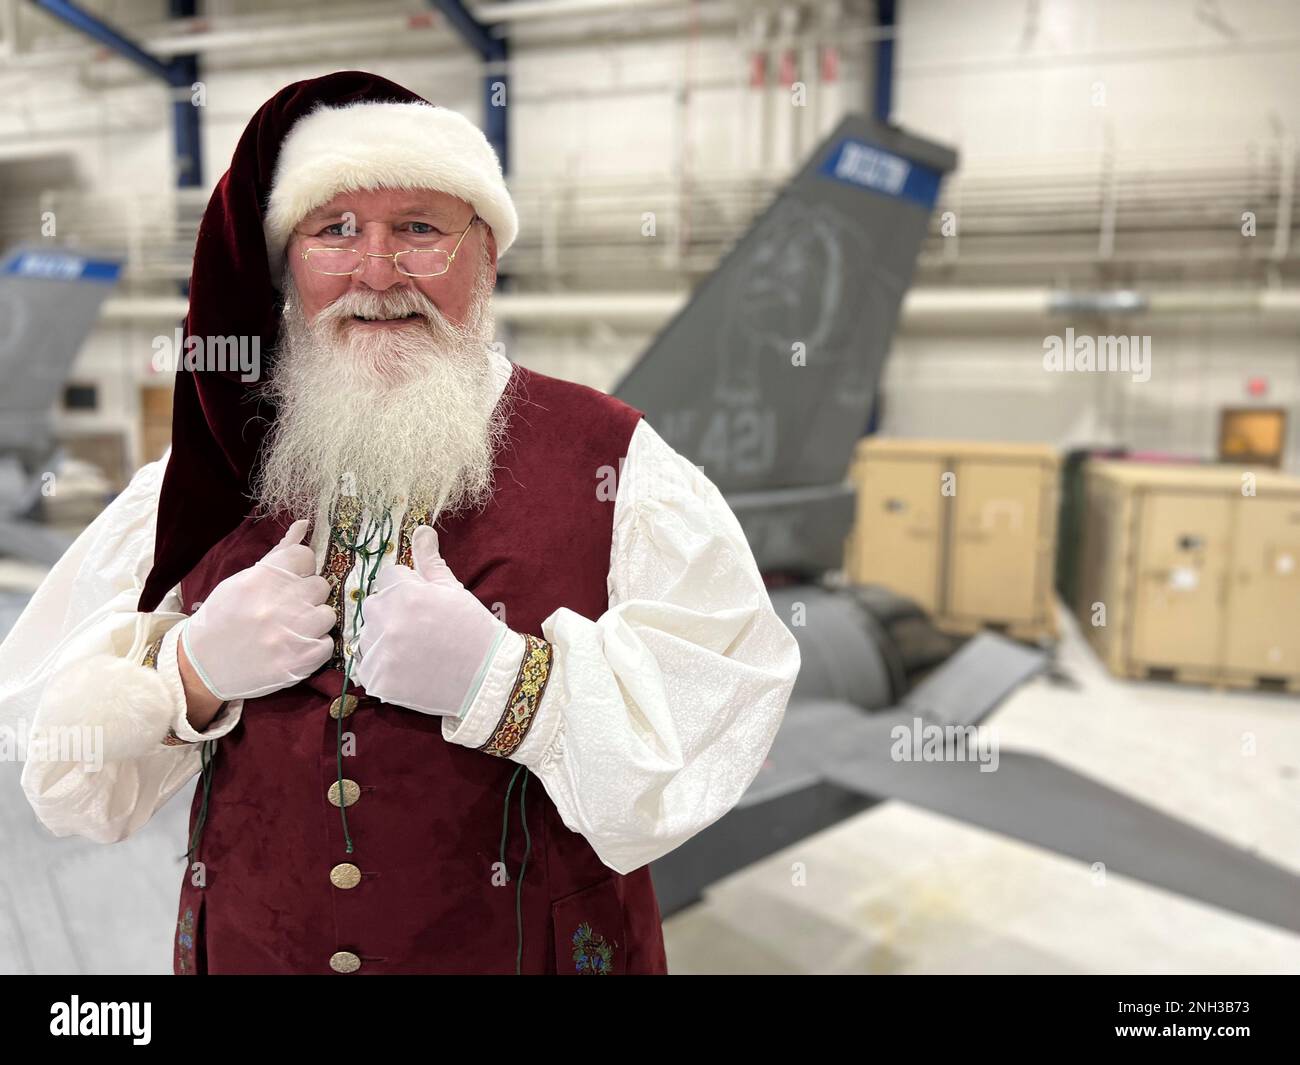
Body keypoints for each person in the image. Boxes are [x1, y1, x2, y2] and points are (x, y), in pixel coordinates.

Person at [0, 71, 800, 975]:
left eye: (419, 229)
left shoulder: (619, 465)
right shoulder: (207, 475)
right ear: (289, 265)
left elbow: (715, 726)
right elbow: (60, 772)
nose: (376, 274)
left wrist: (504, 680)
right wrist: (187, 672)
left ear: (485, 254)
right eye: (334, 231)